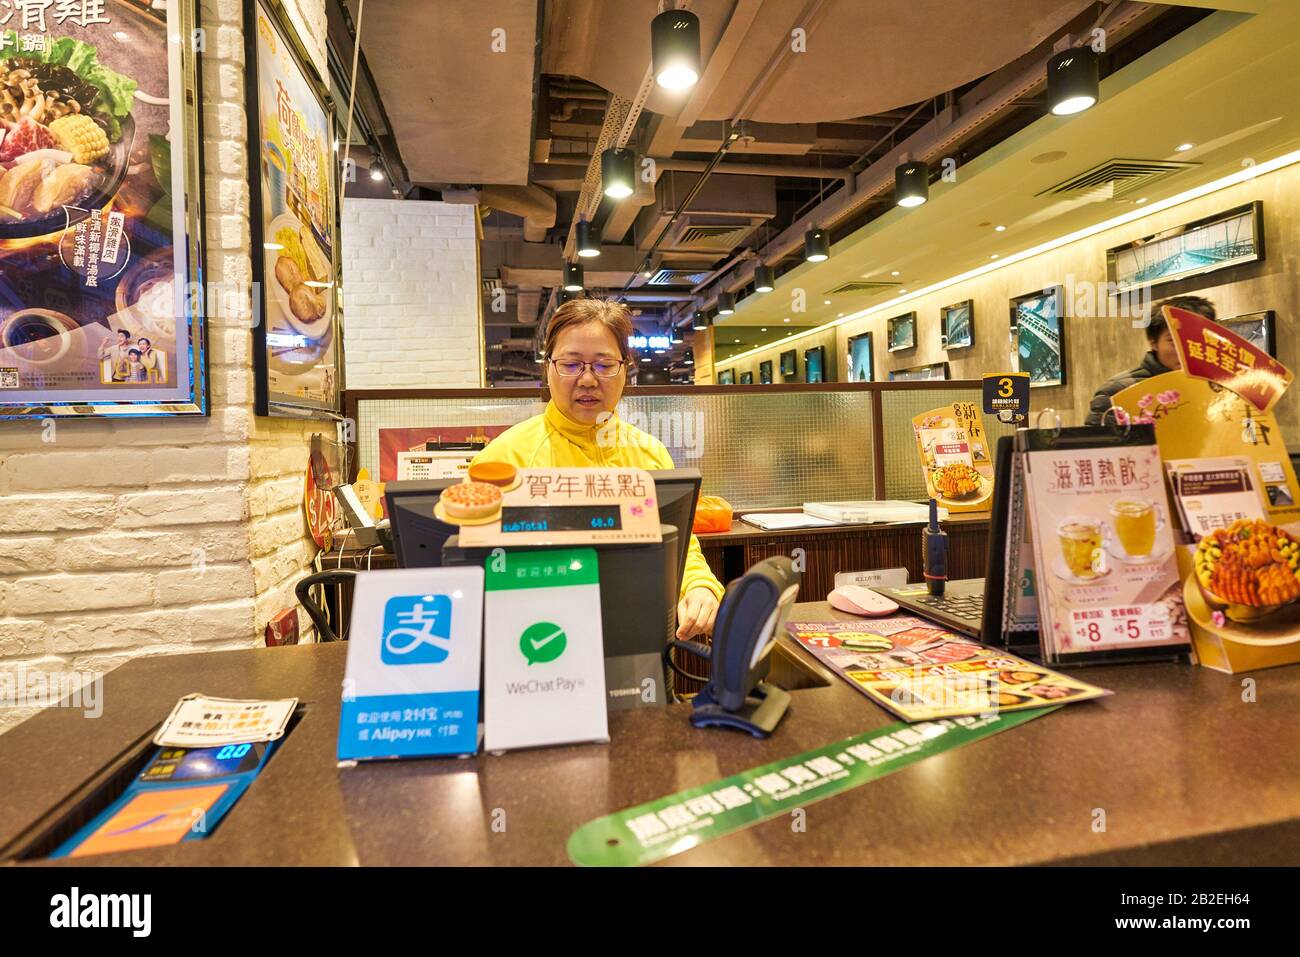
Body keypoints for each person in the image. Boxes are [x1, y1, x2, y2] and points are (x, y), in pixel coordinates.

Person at [471, 298, 724, 639]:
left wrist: (698, 585)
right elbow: (477, 571)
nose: (588, 380)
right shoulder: (502, 459)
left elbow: (680, 545)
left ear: (625, 370)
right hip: (536, 642)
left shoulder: (650, 454)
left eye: (604, 365)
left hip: (638, 635)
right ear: (548, 368)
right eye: (572, 365)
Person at [1084, 295, 1217, 426]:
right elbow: (1095, 446)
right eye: (1175, 341)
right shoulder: (1116, 392)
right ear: (1153, 342)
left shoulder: (1222, 386)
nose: (1187, 349)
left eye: (1197, 339)